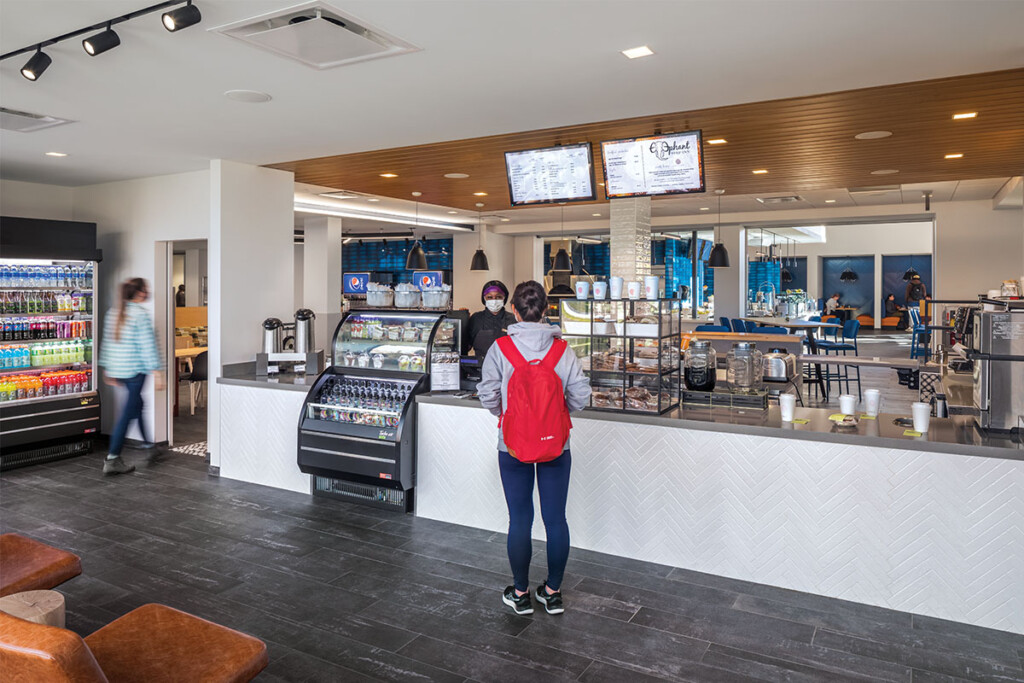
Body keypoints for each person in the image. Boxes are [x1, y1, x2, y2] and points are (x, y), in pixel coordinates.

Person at [478, 281, 591, 615]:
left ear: (514, 310)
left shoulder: (501, 349)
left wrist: (510, 415)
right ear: (546, 311)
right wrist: (554, 413)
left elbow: (487, 396)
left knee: (520, 519)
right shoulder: (563, 350)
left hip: (512, 444)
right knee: (556, 520)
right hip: (557, 444)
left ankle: (521, 593)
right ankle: (553, 593)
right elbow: (581, 398)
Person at [98, 278, 165, 475]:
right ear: (141, 293)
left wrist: (107, 369)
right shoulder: (140, 315)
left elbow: (107, 342)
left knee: (137, 404)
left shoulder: (114, 312)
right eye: (146, 289)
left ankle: (148, 446)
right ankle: (112, 458)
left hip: (118, 370)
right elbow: (148, 346)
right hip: (135, 370)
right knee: (127, 413)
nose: (148, 291)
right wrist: (158, 371)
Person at [467, 280, 517, 359]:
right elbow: (466, 346)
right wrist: (463, 319)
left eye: (498, 297)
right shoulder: (476, 319)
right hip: (481, 368)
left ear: (504, 298)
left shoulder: (513, 319)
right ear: (484, 299)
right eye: (489, 297)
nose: (494, 300)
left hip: (507, 368)